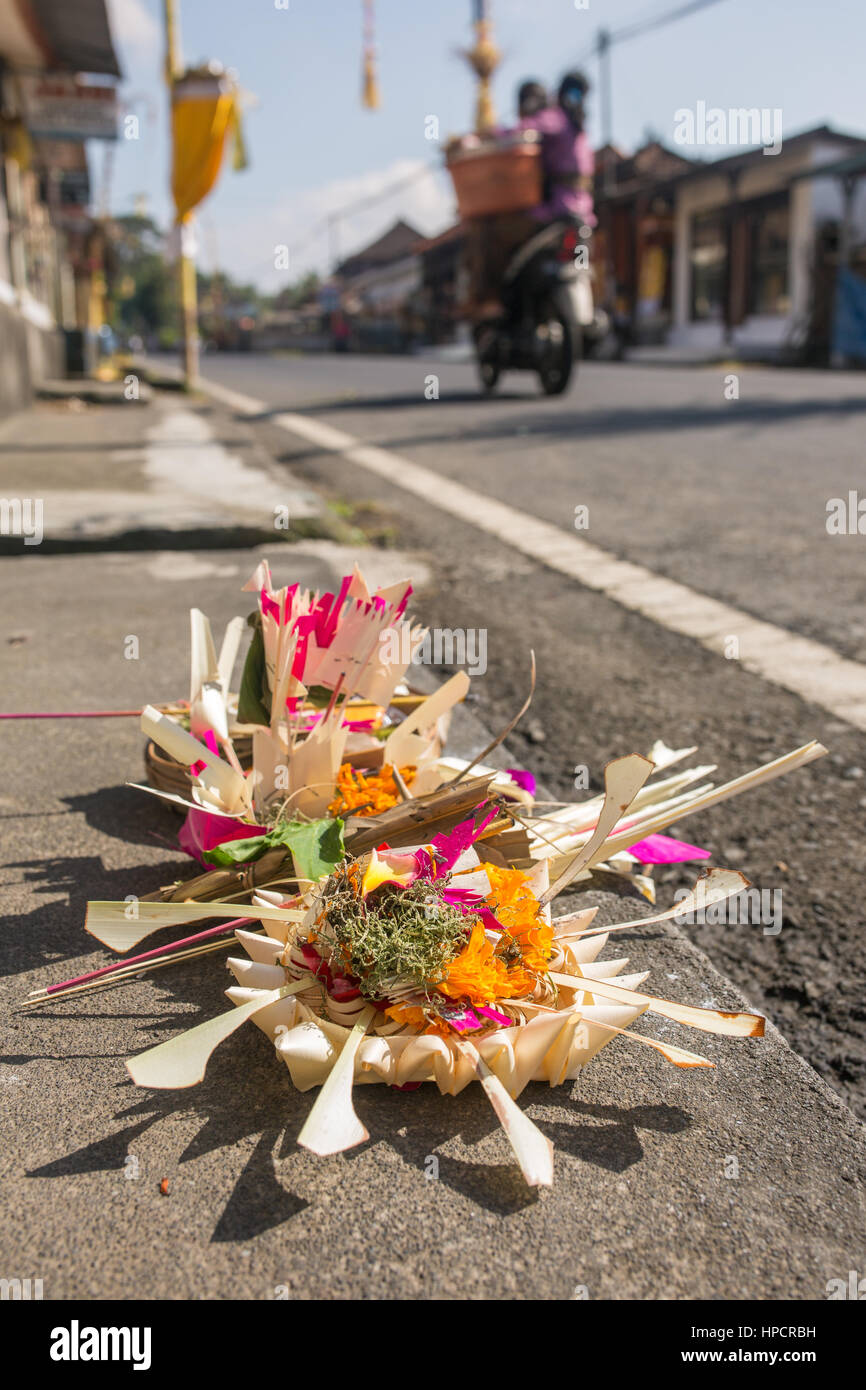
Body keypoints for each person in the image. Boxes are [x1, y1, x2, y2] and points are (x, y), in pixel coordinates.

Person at [520, 71, 595, 228]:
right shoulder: (577, 126)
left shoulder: (557, 119)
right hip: (583, 209)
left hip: (559, 207)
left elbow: (521, 131)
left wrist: (488, 135)